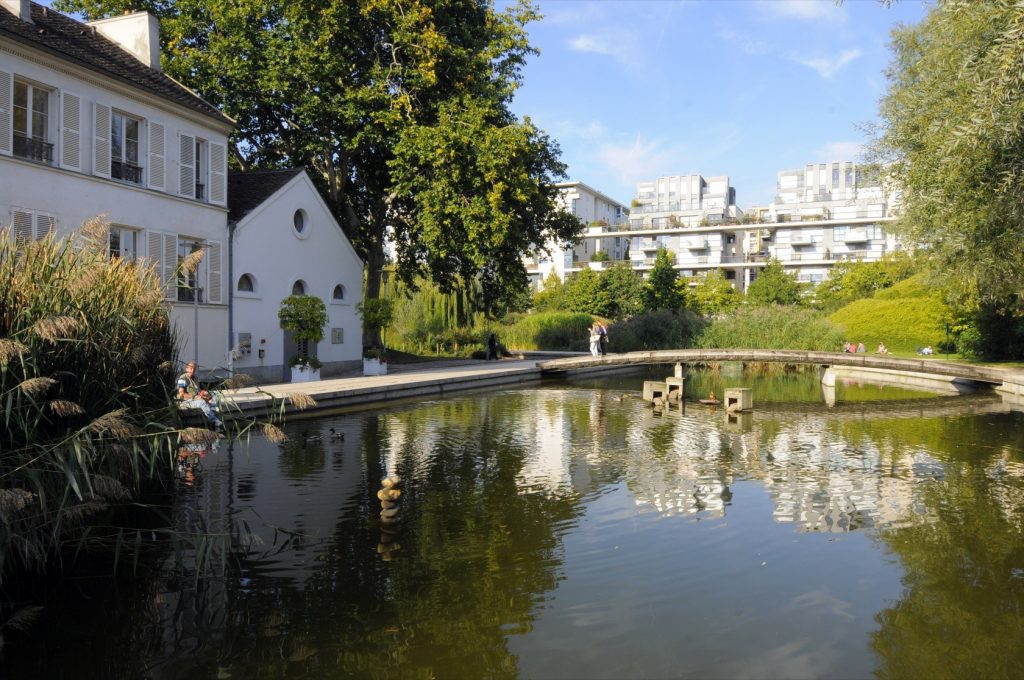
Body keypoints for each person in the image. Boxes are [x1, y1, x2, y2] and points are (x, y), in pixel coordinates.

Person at [176, 361, 223, 430]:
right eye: (191, 368)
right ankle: (215, 420)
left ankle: (211, 409)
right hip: (186, 401)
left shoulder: (195, 378)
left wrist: (205, 393)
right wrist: (196, 397)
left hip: (196, 398)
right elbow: (181, 394)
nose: (192, 370)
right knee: (201, 402)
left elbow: (198, 391)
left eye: (194, 369)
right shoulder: (182, 378)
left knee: (215, 394)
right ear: (187, 369)